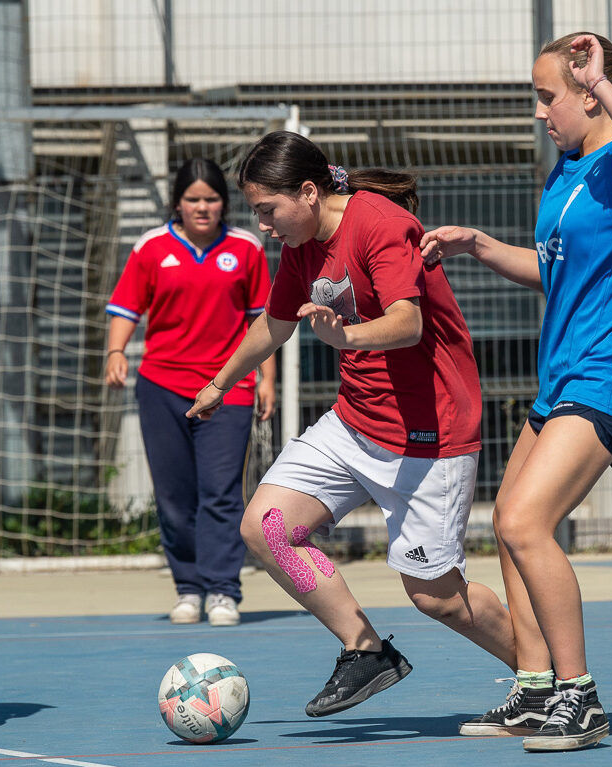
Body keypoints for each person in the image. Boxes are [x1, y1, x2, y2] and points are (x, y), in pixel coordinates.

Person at [421, 33, 612, 752]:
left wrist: (605, 85)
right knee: (506, 530)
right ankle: (537, 686)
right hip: (567, 374)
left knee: (522, 522)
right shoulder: (567, 172)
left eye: (549, 97)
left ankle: (581, 696)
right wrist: (478, 244)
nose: (541, 112)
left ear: (588, 92)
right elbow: (554, 268)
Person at [187, 130, 518, 717]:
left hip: (429, 434)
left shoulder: (379, 225)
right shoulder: (302, 242)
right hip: (355, 420)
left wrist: (346, 337)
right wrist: (219, 383)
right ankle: (364, 648)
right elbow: (276, 321)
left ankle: (546, 674)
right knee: (267, 526)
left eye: (268, 210)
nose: (262, 224)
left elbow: (406, 324)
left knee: (437, 599)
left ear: (308, 192)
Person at [105, 158, 276, 627]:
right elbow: (125, 307)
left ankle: (223, 589)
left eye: (212, 198)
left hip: (228, 388)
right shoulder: (151, 247)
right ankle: (188, 588)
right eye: (193, 199)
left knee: (220, 493)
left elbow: (263, 320)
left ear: (225, 202)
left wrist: (267, 378)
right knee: (175, 496)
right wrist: (115, 352)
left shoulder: (246, 247)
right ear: (177, 203)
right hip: (162, 387)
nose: (203, 208)